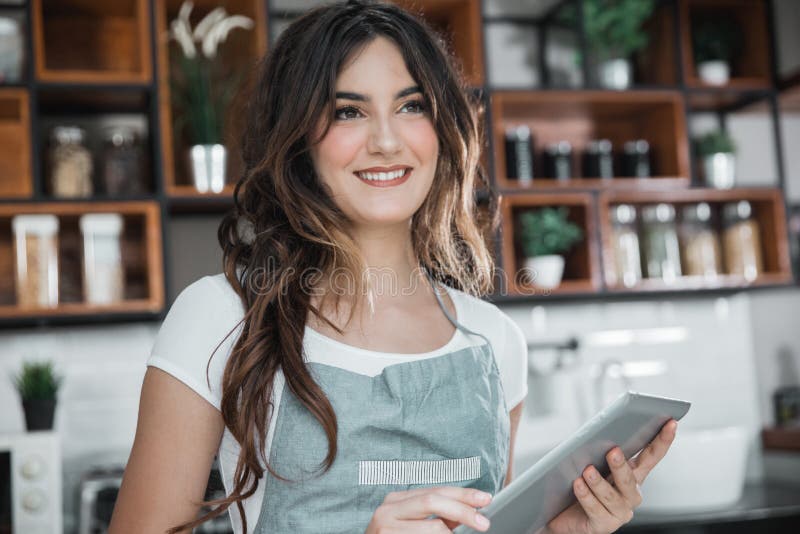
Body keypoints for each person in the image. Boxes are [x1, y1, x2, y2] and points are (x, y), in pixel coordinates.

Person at [108, 1, 678, 533]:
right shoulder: (222, 319)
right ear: (298, 138)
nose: (385, 140)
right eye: (348, 111)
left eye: (411, 106)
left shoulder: (495, 342)